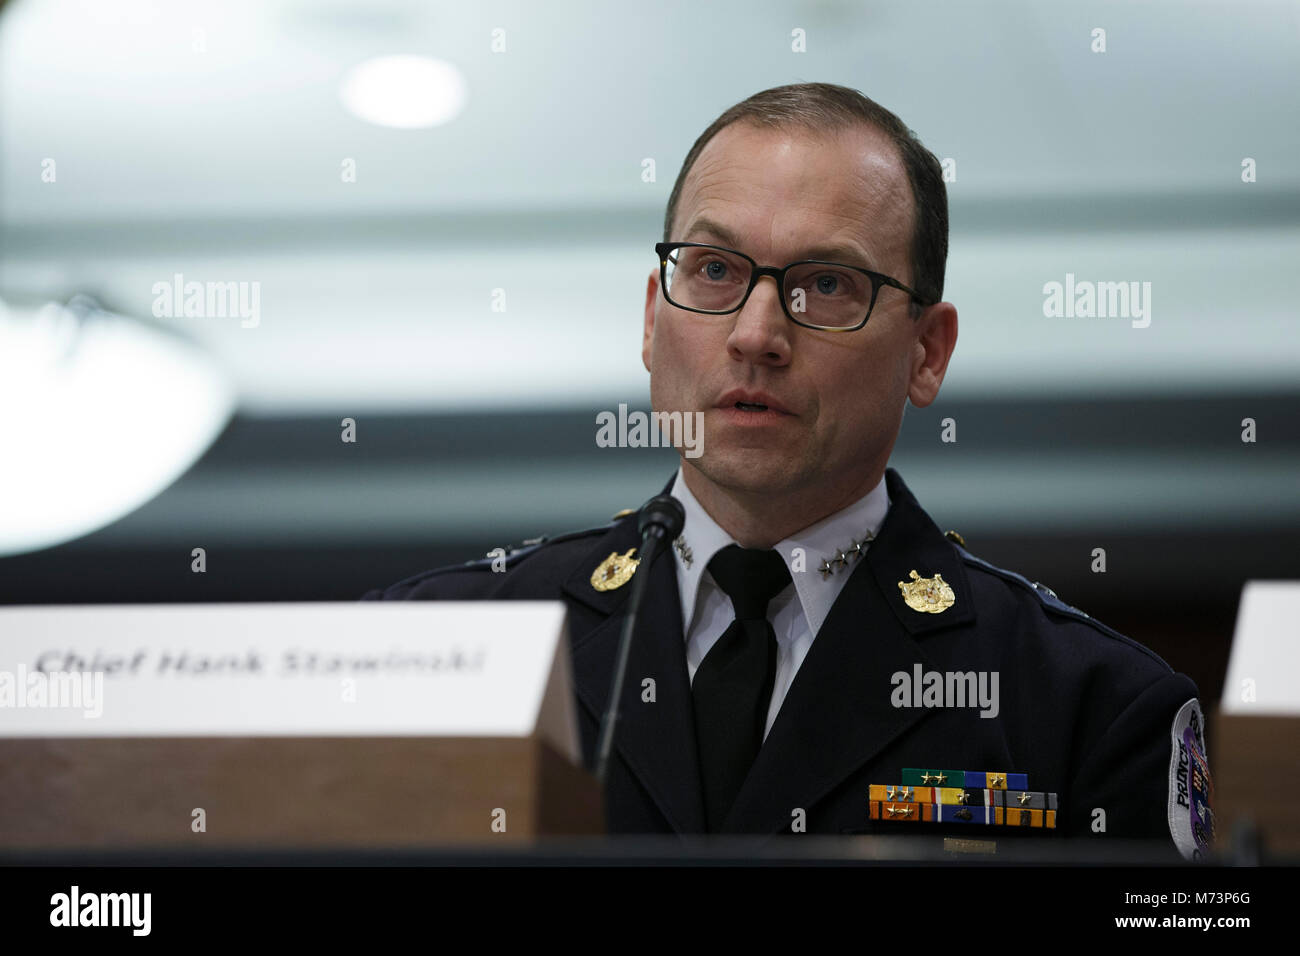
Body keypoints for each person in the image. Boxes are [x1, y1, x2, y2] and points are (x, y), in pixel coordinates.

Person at [362, 82, 1212, 859]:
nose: (756, 332)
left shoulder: (1089, 708)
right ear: (654, 322)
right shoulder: (435, 647)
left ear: (927, 352)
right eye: (716, 271)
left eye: (827, 284)